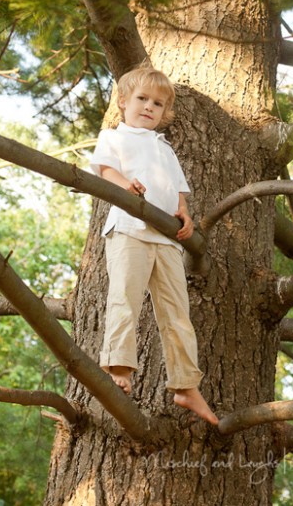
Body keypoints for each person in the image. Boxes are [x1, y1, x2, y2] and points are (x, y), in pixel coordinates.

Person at [89, 66, 218, 425]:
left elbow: (178, 194)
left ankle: (186, 385)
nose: (149, 107)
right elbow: (105, 171)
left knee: (177, 313)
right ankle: (118, 366)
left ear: (165, 113)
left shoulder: (165, 149)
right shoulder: (113, 137)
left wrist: (185, 215)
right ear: (124, 102)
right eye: (142, 99)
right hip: (129, 228)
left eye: (157, 104)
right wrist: (124, 186)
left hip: (166, 240)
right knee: (124, 299)